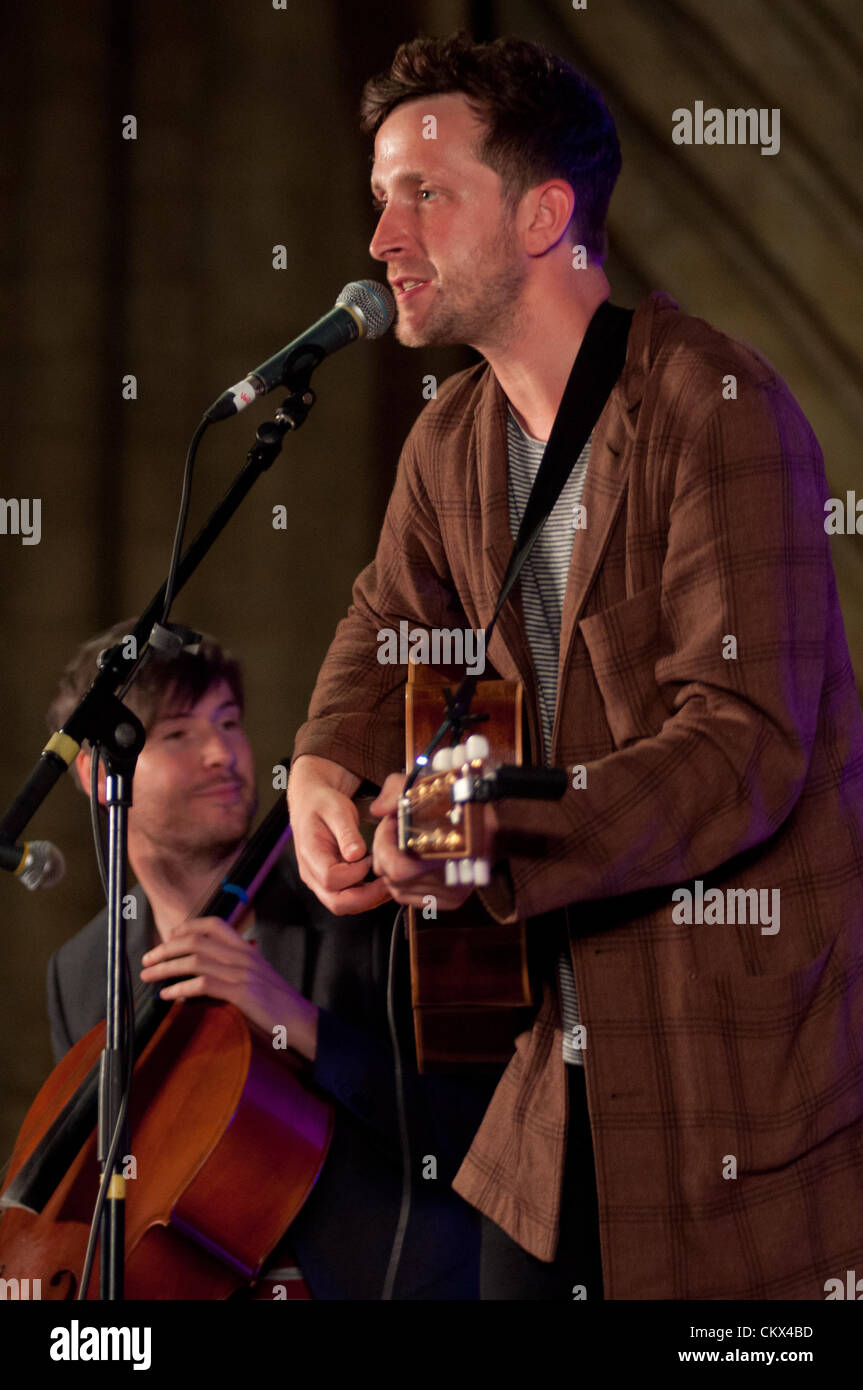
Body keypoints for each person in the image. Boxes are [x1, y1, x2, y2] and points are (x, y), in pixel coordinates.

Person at [287, 33, 863, 1300]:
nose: (381, 240)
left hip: (740, 1091)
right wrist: (322, 766)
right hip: (561, 1079)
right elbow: (382, 624)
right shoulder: (447, 443)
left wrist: (488, 825)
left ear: (546, 214)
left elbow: (742, 749)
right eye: (378, 197)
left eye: (423, 194)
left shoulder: (712, 403)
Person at [45, 620, 488, 1299]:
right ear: (98, 773)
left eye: (228, 722)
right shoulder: (82, 972)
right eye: (178, 735)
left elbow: (483, 1140)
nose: (222, 753)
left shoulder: (364, 898)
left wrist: (296, 1022)